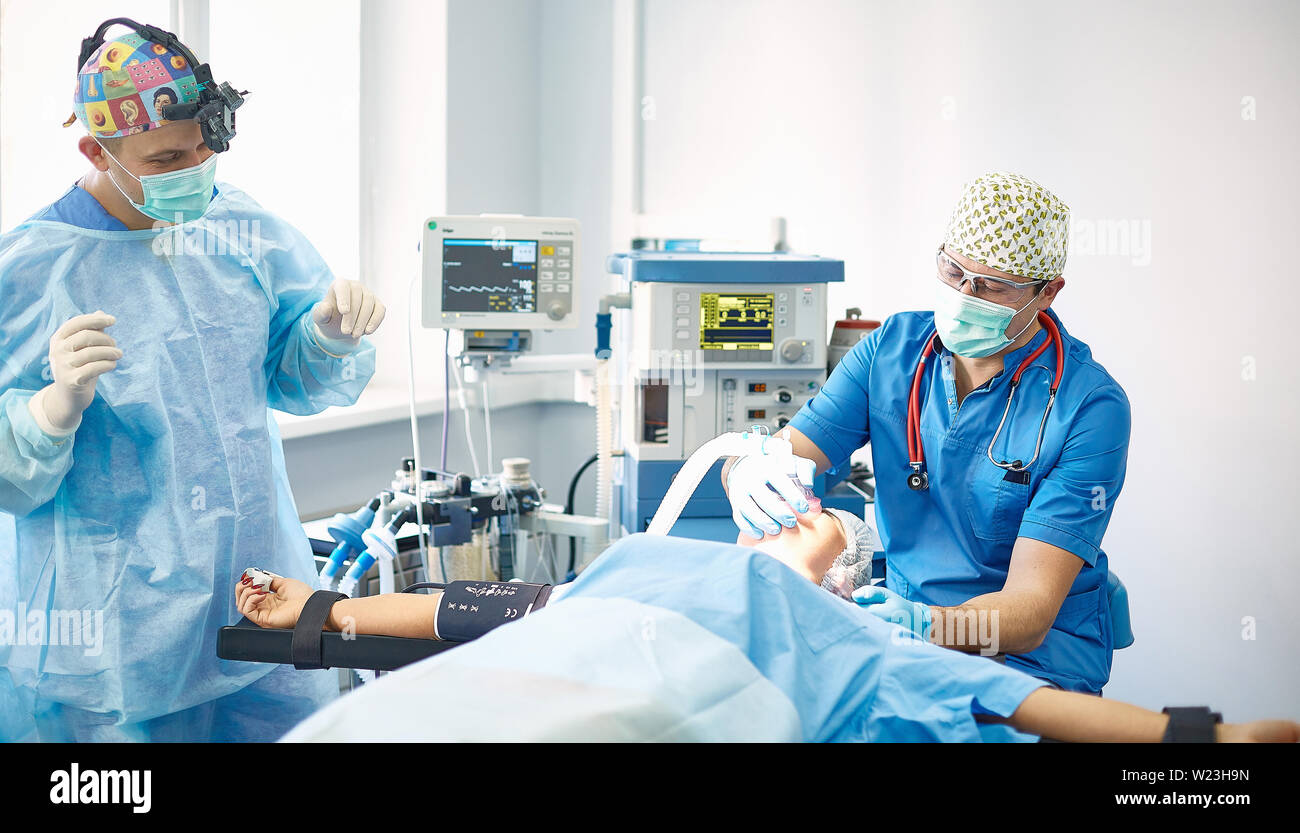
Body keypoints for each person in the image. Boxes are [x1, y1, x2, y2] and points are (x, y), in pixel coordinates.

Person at [0, 20, 386, 742]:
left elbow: (286, 375)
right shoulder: (29, 270)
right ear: (96, 149)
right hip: (115, 645)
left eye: (206, 145)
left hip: (255, 603)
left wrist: (326, 335)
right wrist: (50, 412)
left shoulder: (236, 226)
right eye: (168, 157)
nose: (197, 167)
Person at [235, 510, 1297, 743]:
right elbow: (479, 611)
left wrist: (1195, 742)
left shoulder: (852, 637)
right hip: (526, 674)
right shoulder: (642, 560)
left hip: (647, 701)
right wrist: (327, 608)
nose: (804, 527)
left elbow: (1020, 695)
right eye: (801, 520)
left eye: (824, 523)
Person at [724, 171, 1129, 694]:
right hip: (896, 644)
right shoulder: (891, 351)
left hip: (1030, 661)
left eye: (992, 285)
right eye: (954, 269)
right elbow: (784, 455)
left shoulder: (1089, 407)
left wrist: (921, 626)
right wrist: (746, 472)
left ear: (1047, 292)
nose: (965, 293)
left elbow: (1028, 615)